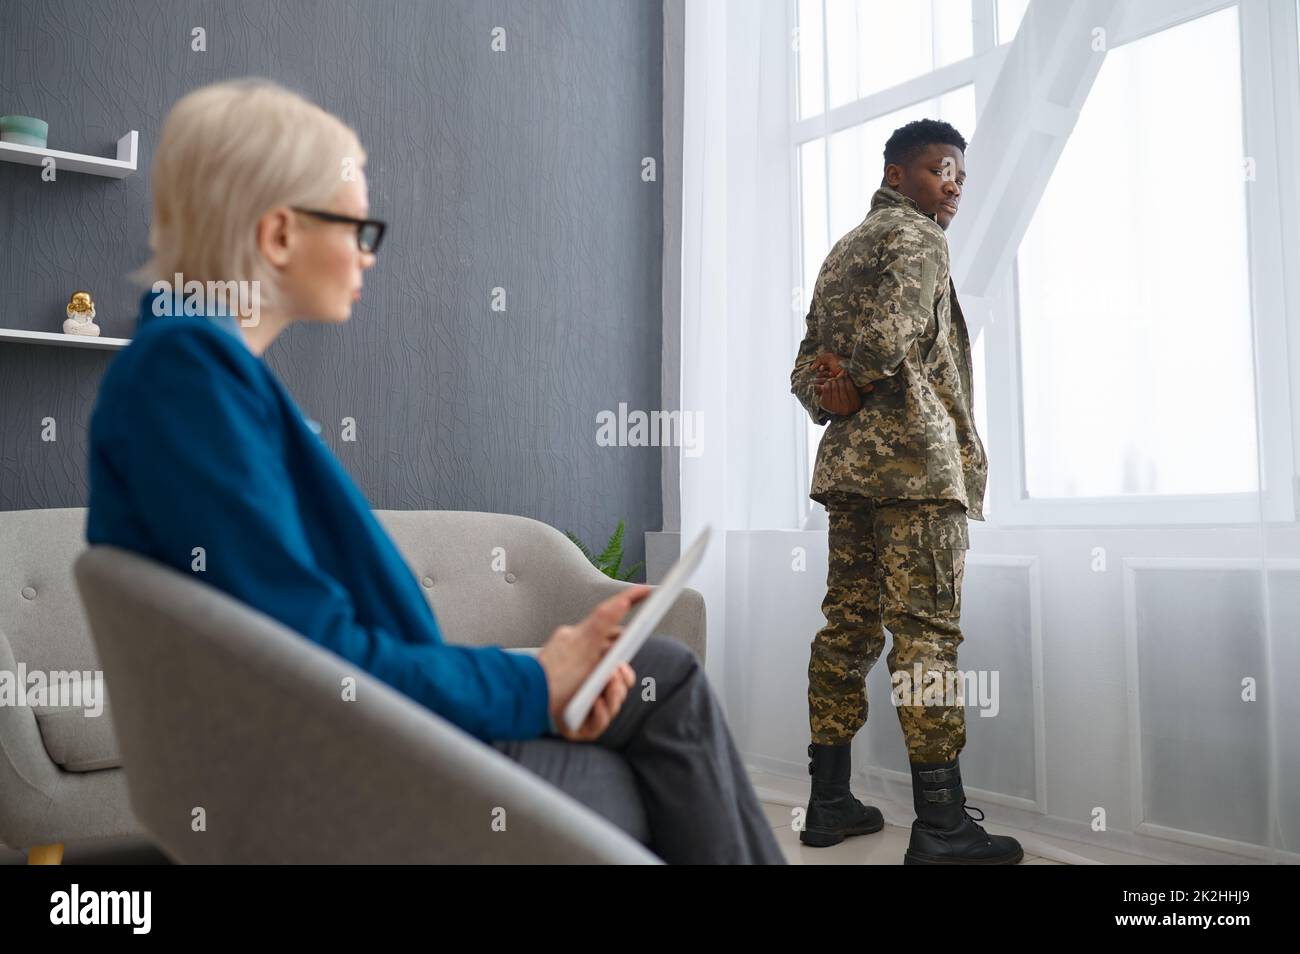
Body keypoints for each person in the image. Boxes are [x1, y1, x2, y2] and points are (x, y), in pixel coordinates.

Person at [85, 77, 784, 865]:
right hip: (363, 766)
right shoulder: (188, 379)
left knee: (660, 672)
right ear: (279, 235)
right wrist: (535, 685)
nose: (367, 255)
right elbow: (318, 658)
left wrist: (555, 679)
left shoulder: (196, 373)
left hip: (365, 737)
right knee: (661, 758)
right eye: (358, 227)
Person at [789, 118, 1022, 864]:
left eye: (959, 174)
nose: (952, 185)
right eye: (938, 170)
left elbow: (804, 371)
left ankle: (827, 804)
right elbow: (890, 338)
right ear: (896, 175)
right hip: (916, 472)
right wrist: (855, 377)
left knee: (847, 629)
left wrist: (834, 393)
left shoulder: (839, 252)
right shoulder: (918, 238)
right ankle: (942, 827)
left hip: (850, 475)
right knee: (926, 636)